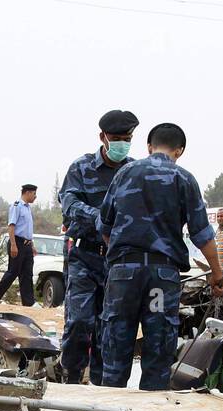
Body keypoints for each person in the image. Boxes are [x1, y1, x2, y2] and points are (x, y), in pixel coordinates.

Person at [98, 122, 223, 390]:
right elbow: (202, 234)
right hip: (161, 277)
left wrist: (121, 255)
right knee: (157, 346)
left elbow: (104, 227)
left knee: (117, 343)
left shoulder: (125, 173)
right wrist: (217, 273)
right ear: (179, 151)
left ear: (149, 146)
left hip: (124, 274)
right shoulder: (184, 179)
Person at [58, 109, 139, 385]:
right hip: (84, 255)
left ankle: (99, 386)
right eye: (116, 138)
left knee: (109, 325)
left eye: (126, 138)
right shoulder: (81, 168)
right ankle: (69, 375)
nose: (121, 143)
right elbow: (69, 205)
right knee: (80, 321)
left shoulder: (133, 171)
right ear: (102, 137)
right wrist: (101, 218)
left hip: (117, 261)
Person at [0, 184, 38, 305]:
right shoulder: (17, 206)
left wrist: (32, 245)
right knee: (13, 272)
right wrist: (13, 245)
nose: (35, 197)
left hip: (27, 245)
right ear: (27, 193)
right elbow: (11, 226)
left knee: (27, 274)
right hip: (17, 243)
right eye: (34, 194)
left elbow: (27, 229)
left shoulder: (28, 208)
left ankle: (28, 302)